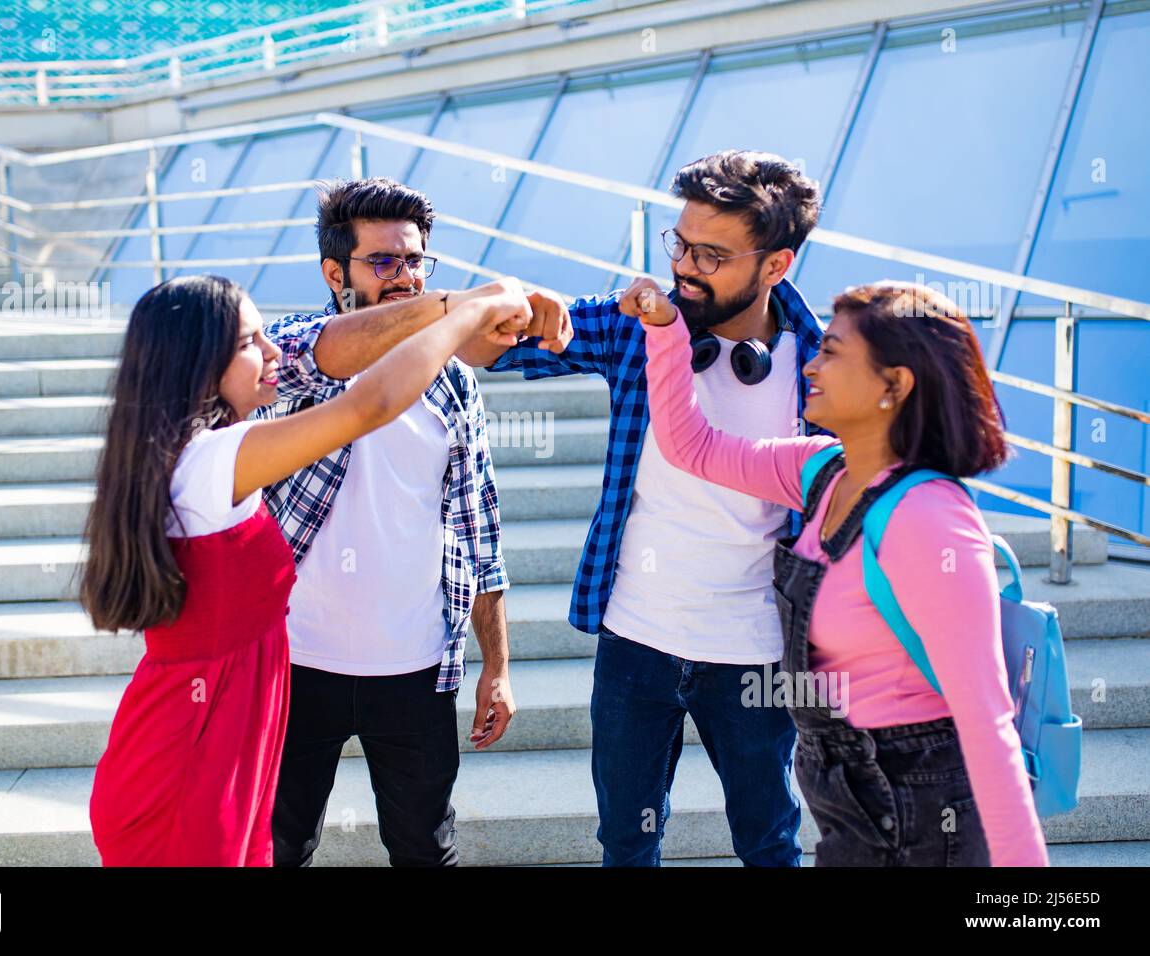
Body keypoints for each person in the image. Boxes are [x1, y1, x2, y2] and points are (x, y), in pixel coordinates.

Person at [81, 273, 529, 866]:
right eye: (249, 342)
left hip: (204, 738)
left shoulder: (197, 451)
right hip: (193, 757)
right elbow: (369, 405)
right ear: (197, 361)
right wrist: (465, 317)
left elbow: (325, 355)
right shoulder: (211, 461)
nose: (273, 353)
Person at [455, 150, 825, 866]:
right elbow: (486, 350)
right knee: (627, 844)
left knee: (771, 844)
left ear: (775, 266)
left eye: (710, 255)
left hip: (757, 658)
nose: (684, 266)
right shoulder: (639, 327)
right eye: (679, 244)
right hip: (635, 644)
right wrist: (509, 303)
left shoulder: (821, 365)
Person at [631, 277, 1049, 866]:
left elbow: (987, 723)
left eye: (831, 351)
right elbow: (691, 447)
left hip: (925, 818)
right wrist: (667, 331)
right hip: (851, 811)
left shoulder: (931, 518)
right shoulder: (820, 471)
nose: (809, 366)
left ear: (894, 385)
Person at [258, 177, 564, 866]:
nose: (407, 277)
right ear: (335, 274)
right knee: (277, 850)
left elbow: (481, 534)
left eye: (417, 260)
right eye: (385, 262)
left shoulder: (455, 383)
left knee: (426, 850)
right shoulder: (285, 361)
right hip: (294, 663)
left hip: (416, 667)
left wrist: (498, 668)